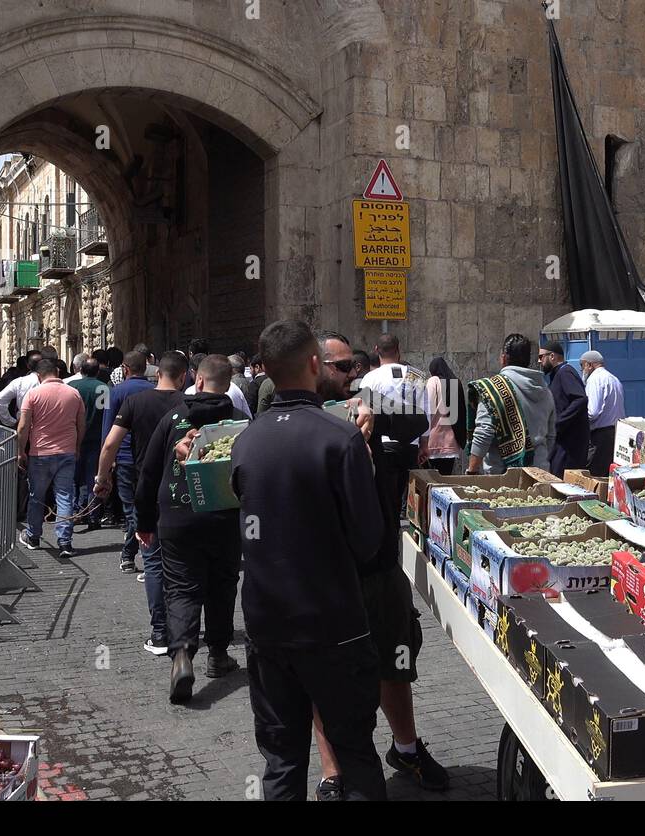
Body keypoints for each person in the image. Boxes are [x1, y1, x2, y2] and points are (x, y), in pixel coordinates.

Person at [231, 319, 387, 801]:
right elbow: (369, 540)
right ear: (314, 364)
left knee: (281, 760)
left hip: (268, 624)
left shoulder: (246, 441)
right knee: (356, 751)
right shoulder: (340, 440)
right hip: (332, 623)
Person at [309, 333, 448, 799]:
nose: (353, 375)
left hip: (380, 567)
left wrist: (373, 425)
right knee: (326, 673)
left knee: (395, 659)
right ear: (315, 366)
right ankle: (332, 770)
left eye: (355, 367)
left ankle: (405, 749)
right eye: (343, 367)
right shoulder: (294, 423)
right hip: (326, 574)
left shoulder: (369, 411)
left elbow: (413, 433)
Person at [135, 354, 247, 702]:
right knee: (222, 583)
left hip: (177, 518)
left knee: (181, 588)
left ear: (197, 380)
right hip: (225, 519)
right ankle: (217, 653)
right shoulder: (241, 421)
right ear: (228, 384)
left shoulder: (172, 419)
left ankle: (182, 653)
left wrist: (144, 521)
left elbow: (148, 473)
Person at [95, 352, 187, 653]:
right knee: (182, 564)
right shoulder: (187, 405)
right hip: (181, 492)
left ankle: (160, 633)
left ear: (156, 373)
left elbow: (111, 443)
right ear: (183, 376)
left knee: (152, 561)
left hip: (145, 489)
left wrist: (101, 478)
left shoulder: (135, 403)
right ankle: (186, 630)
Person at [16, 358, 85, 557]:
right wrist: (77, 446)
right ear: (57, 372)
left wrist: (21, 451)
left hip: (40, 453)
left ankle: (34, 536)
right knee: (65, 496)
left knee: (36, 496)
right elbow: (81, 424)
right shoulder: (73, 393)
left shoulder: (33, 394)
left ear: (38, 375)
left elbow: (23, 427)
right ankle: (65, 542)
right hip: (67, 452)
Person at [95, 351, 153, 574]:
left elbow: (108, 432)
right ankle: (132, 553)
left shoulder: (116, 392)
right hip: (150, 458)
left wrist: (105, 466)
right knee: (142, 507)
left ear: (125, 369)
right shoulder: (154, 391)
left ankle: (134, 554)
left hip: (126, 458)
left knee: (131, 510)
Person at [359, 333, 428, 515]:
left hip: (383, 445)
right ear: (399, 350)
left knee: (384, 498)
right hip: (411, 445)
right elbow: (426, 412)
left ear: (376, 350)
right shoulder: (418, 376)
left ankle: (391, 532)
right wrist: (424, 445)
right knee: (404, 498)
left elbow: (364, 414)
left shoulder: (370, 378)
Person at [467, 334, 556, 473]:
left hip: (502, 477)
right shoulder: (545, 391)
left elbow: (484, 433)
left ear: (503, 358)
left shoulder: (493, 390)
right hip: (539, 473)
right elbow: (550, 436)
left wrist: (472, 470)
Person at [67, 358, 108, 533]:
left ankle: (76, 511)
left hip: (75, 438)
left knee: (74, 478)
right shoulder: (105, 388)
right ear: (97, 371)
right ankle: (93, 515)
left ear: (81, 370)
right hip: (97, 439)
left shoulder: (73, 386)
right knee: (94, 477)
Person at [538, 342, 588, 476]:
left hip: (569, 445)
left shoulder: (565, 372)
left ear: (552, 356)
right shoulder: (557, 374)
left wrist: (558, 423)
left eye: (541, 356)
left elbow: (580, 399)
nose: (539, 361)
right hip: (562, 443)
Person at [580, 350, 626, 475]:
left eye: (582, 365)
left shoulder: (595, 379)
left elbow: (592, 412)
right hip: (616, 433)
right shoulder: (614, 379)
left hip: (601, 436)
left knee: (595, 475)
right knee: (609, 475)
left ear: (589, 365)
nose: (581, 370)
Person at [419, 357, 466, 476]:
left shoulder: (433, 381)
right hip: (451, 444)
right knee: (445, 480)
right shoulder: (456, 383)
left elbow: (427, 409)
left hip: (433, 441)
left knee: (430, 481)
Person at [0, 348, 44, 425]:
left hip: (23, 424)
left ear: (28, 366)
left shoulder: (19, 382)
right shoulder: (51, 382)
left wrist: (11, 422)